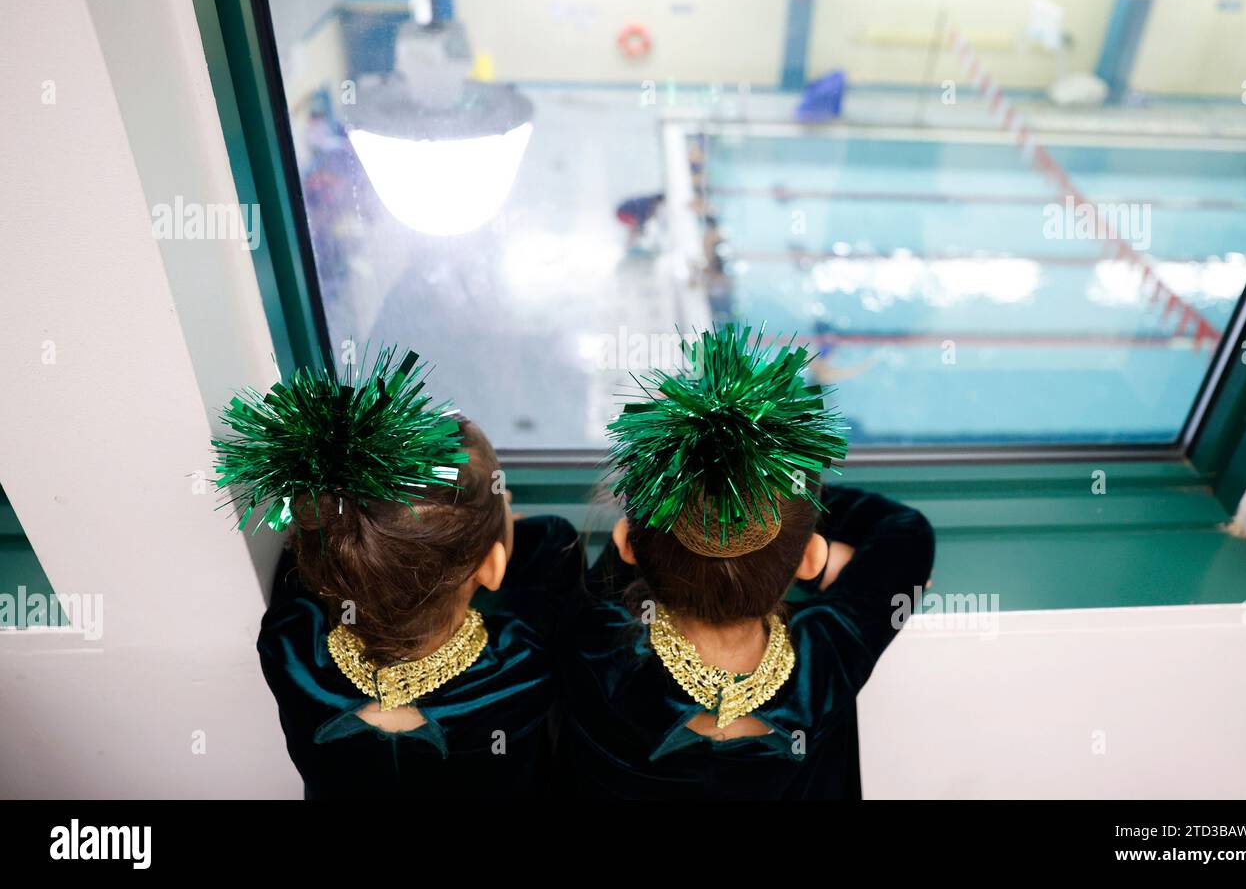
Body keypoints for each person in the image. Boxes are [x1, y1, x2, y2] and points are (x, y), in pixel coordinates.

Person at [555, 326, 934, 798]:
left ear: (627, 545)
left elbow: (550, 539)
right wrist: (767, 488)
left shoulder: (593, 645)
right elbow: (906, 535)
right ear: (811, 558)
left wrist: (716, 489)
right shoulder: (831, 656)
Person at [212, 347, 581, 798]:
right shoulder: (523, 667)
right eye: (505, 498)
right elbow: (555, 542)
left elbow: (308, 554)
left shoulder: (289, 644)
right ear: (493, 567)